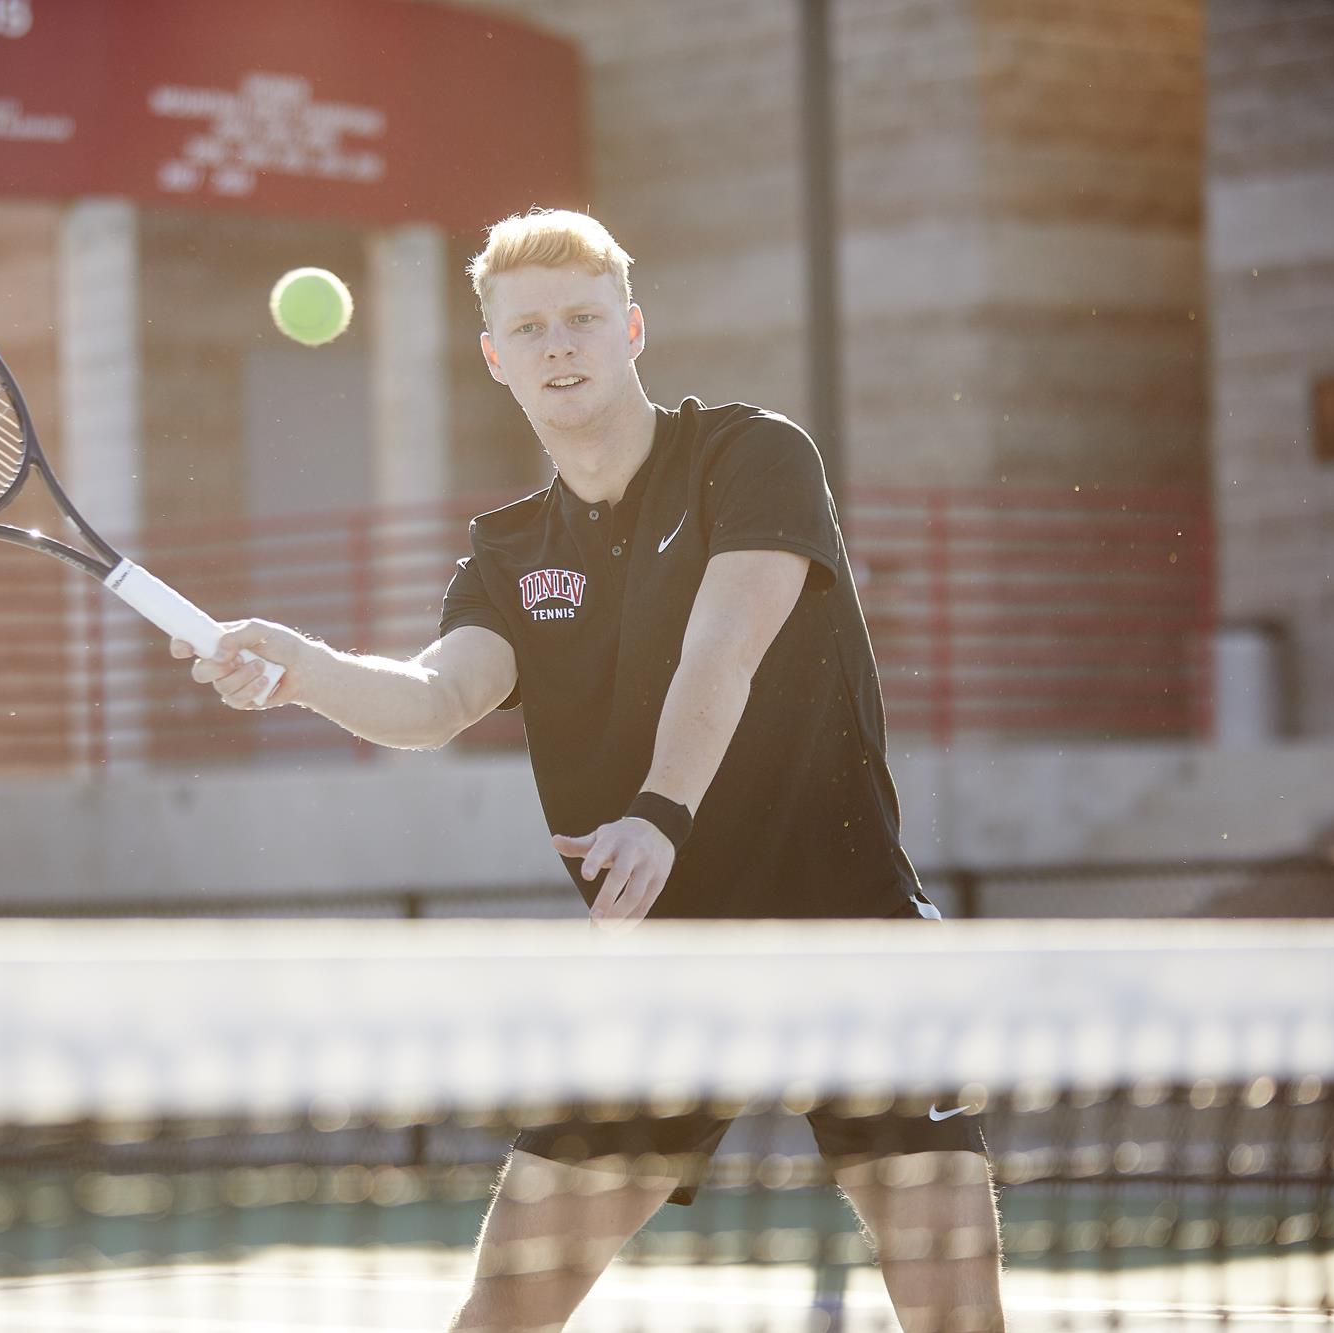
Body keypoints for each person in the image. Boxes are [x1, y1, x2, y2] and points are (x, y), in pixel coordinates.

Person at [169, 208, 1004, 1333]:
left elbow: (727, 643)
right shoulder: (507, 554)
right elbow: (435, 698)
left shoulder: (751, 455)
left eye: (581, 319)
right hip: (660, 972)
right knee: (503, 1313)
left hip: (850, 940)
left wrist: (658, 811)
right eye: (531, 327)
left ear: (631, 330)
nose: (558, 345)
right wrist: (307, 669)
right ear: (494, 357)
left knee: (957, 1321)